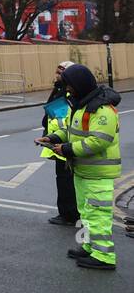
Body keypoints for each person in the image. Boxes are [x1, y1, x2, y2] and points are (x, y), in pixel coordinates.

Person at [38, 63, 120, 271]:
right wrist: (53, 137)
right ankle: (90, 247)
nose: (68, 90)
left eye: (71, 86)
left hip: (98, 174)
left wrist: (67, 149)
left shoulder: (102, 110)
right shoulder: (82, 105)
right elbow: (71, 130)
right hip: (84, 171)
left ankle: (104, 256)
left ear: (81, 84)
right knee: (87, 212)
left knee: (98, 215)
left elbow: (98, 141)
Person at [41, 61, 81, 226]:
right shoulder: (59, 90)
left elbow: (65, 119)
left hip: (66, 143)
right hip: (58, 140)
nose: (57, 76)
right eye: (57, 72)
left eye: (60, 73)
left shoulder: (69, 94)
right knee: (63, 179)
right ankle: (67, 212)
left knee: (66, 180)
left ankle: (69, 214)